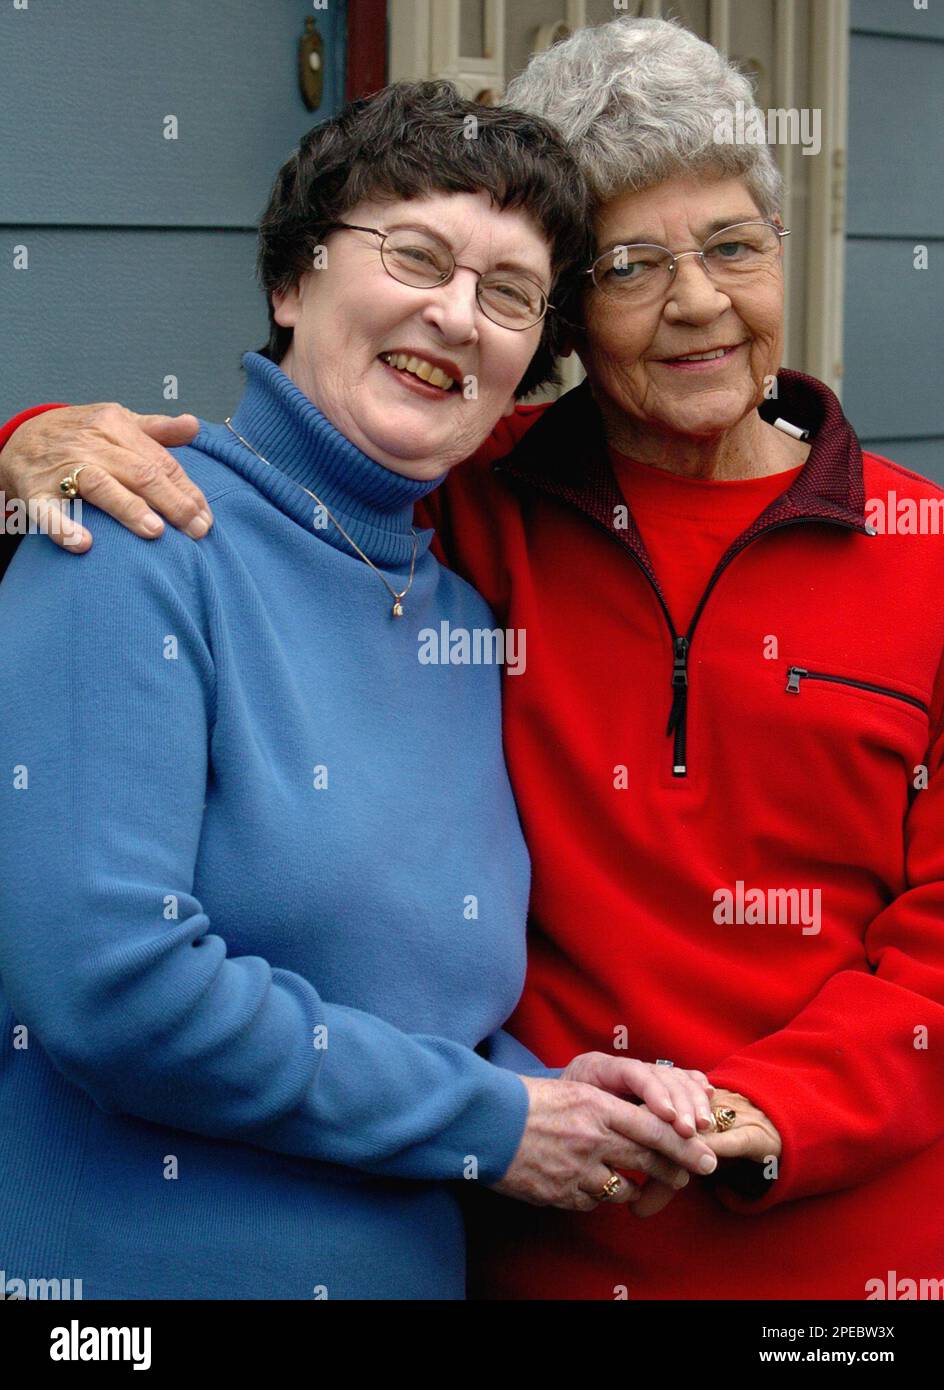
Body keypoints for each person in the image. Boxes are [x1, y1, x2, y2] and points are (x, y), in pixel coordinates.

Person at [5, 16, 941, 1300]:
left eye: (732, 245)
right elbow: (107, 964)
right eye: (629, 265)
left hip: (835, 1254)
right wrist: (29, 449)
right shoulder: (450, 508)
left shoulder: (912, 551)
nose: (699, 303)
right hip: (521, 1252)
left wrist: (718, 1106)